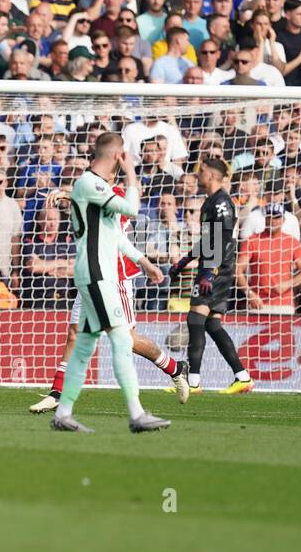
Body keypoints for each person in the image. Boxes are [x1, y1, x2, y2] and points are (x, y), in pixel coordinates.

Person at [29, 184, 191, 413]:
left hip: (116, 277)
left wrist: (67, 195)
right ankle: (57, 392)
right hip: (91, 274)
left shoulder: (118, 195)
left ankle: (176, 368)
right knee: (74, 334)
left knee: (128, 340)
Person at [51, 133, 170, 433]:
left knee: (84, 345)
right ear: (118, 155)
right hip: (95, 273)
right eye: (124, 156)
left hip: (98, 272)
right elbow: (132, 208)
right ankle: (137, 414)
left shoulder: (95, 187)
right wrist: (131, 172)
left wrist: (144, 263)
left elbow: (115, 235)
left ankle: (63, 413)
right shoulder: (89, 184)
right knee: (121, 339)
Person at [171, 158, 254, 394]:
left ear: (212, 175)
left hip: (217, 270)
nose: (198, 175)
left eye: (201, 171)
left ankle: (192, 382)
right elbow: (208, 240)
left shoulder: (221, 202)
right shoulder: (210, 201)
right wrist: (185, 261)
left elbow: (223, 239)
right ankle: (242, 377)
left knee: (195, 320)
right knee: (212, 324)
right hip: (212, 267)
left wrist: (209, 272)